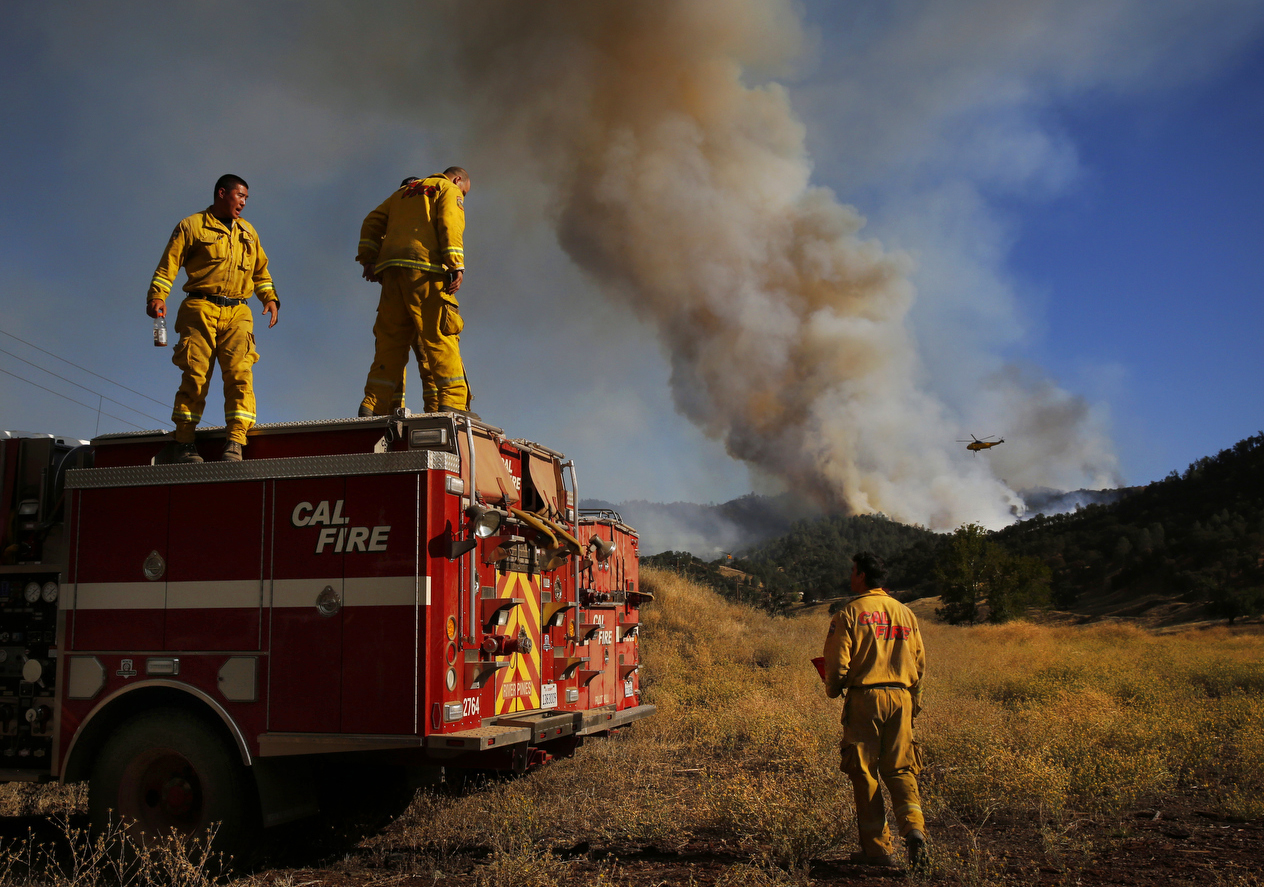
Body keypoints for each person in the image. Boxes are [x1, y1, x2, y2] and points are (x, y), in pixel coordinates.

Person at [146, 174, 280, 463]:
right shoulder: (191, 226)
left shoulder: (248, 232)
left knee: (240, 375)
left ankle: (235, 441)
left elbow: (261, 272)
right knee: (195, 376)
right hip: (200, 309)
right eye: (239, 196)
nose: (243, 203)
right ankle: (184, 443)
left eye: (246, 198)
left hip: (238, 313)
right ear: (222, 194)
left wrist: (269, 298)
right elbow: (168, 265)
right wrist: (158, 296)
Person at [822, 551, 929, 870]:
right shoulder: (906, 614)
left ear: (862, 576)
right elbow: (919, 663)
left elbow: (837, 663)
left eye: (853, 571)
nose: (850, 576)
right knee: (901, 769)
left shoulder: (849, 613)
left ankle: (878, 849)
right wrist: (914, 703)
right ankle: (914, 830)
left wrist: (834, 688)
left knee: (864, 771)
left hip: (866, 698)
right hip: (901, 697)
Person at [356, 167, 472, 417]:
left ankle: (373, 404)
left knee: (390, 342)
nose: (462, 195)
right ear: (458, 179)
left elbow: (372, 221)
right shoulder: (447, 189)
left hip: (392, 273)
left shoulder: (403, 192)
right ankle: (453, 401)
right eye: (464, 191)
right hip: (425, 269)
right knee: (440, 335)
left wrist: (368, 259)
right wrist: (456, 263)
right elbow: (450, 222)